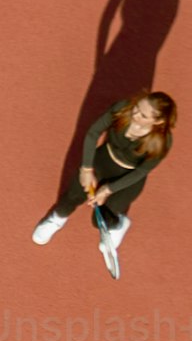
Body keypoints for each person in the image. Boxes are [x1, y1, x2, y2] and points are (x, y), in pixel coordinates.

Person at [31, 91, 175, 278]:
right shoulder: (122, 108)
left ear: (158, 122)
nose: (135, 114)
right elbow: (93, 133)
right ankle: (56, 219)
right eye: (138, 108)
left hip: (128, 178)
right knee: (74, 194)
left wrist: (108, 190)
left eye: (143, 115)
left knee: (99, 221)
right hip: (103, 159)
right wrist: (87, 169)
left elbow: (141, 172)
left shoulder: (163, 141)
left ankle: (120, 224)